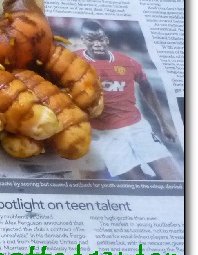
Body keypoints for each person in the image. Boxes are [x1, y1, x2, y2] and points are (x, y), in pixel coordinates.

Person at [76, 20, 181, 180]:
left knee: (174, 177)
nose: (97, 44)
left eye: (100, 39)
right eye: (91, 39)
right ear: (83, 40)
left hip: (136, 126)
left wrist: (163, 123)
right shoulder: (74, 61)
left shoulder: (127, 62)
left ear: (106, 40)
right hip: (104, 133)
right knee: (136, 184)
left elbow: (146, 86)